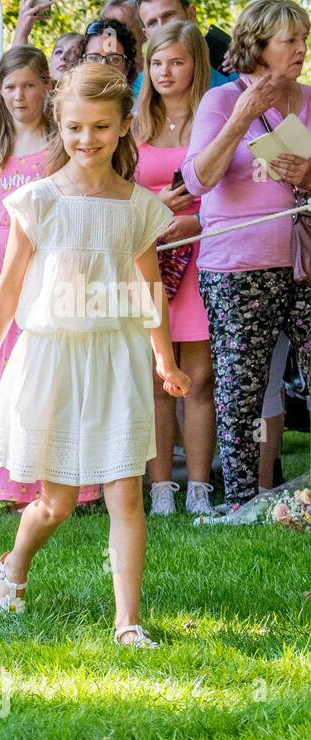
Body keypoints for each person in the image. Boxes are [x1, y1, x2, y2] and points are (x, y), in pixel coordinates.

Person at [0, 64, 189, 649]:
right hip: (54, 356)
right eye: (74, 128)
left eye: (100, 128)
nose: (87, 140)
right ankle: (14, 563)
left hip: (116, 358)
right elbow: (9, 287)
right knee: (57, 502)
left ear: (121, 131)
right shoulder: (37, 201)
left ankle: (127, 621)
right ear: (59, 126)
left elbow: (147, 291)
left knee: (126, 490)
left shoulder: (137, 206)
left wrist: (163, 359)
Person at [182, 0, 311, 508]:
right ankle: (238, 503)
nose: (300, 49)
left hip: (304, 263)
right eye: (289, 40)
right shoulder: (219, 101)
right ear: (257, 46)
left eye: (303, 39)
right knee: (241, 389)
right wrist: (241, 118)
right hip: (239, 268)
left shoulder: (309, 99)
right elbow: (198, 179)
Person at [0, 47, 100, 509]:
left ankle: (67, 482)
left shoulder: (58, 143)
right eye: (10, 87)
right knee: (11, 381)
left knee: (52, 378)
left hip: (49, 271)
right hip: (7, 276)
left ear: (47, 86)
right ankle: (13, 484)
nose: (19, 95)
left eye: (28, 85)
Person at [134, 21, 215, 516]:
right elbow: (116, 190)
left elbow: (234, 189)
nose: (165, 72)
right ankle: (161, 490)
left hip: (204, 253)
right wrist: (157, 210)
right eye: (156, 63)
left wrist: (193, 221)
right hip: (148, 259)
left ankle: (201, 490)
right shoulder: (134, 124)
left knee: (199, 378)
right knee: (156, 378)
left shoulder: (214, 119)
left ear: (195, 65)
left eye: (176, 62)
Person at [137, 0, 236, 87]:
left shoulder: (231, 64)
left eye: (168, 15)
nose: (162, 27)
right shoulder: (140, 87)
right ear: (145, 34)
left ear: (191, 14)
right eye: (152, 23)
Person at [81, 18, 140, 89]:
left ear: (127, 68)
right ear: (82, 62)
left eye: (113, 59)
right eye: (94, 58)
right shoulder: (67, 98)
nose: (103, 65)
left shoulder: (142, 99)